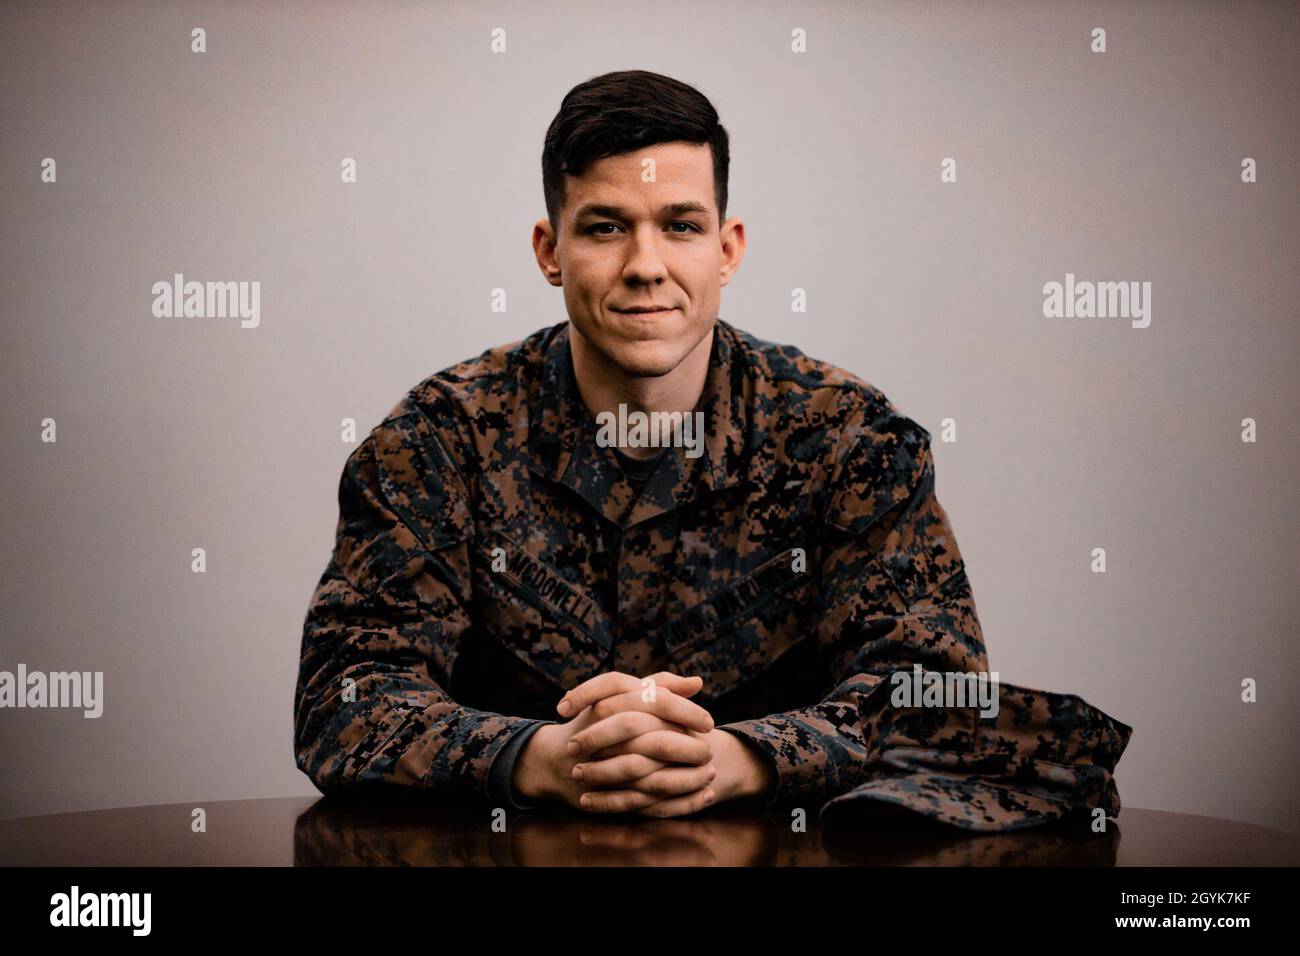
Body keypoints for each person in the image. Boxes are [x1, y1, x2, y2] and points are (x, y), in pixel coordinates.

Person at [293, 69, 988, 819]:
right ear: (548, 250)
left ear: (728, 249)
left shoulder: (849, 440)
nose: (645, 265)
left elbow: (940, 697)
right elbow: (344, 695)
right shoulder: (438, 442)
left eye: (681, 226)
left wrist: (741, 759)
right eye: (605, 227)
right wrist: (540, 758)